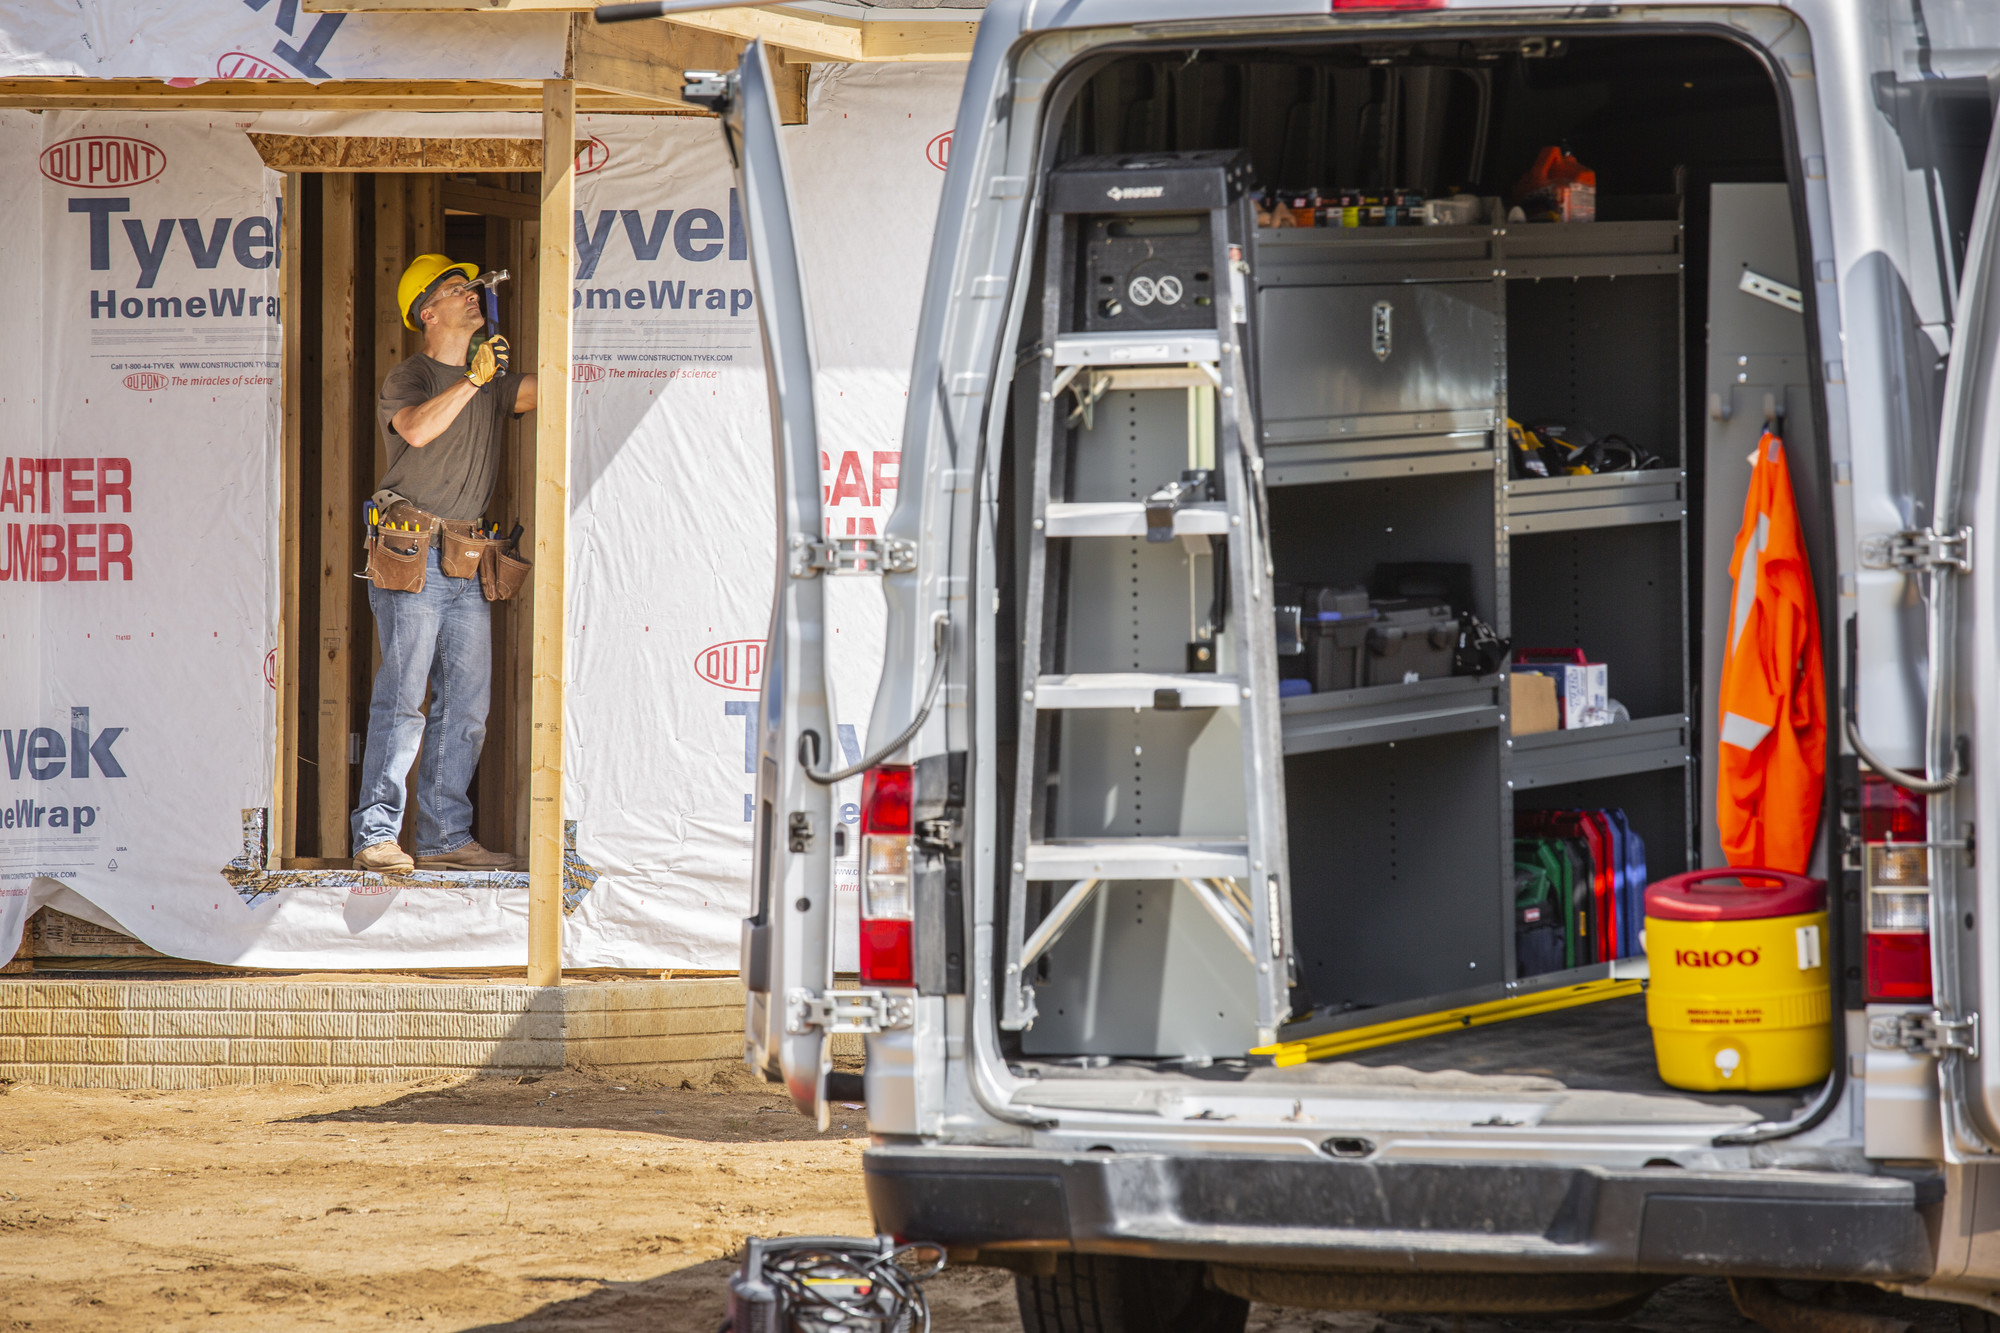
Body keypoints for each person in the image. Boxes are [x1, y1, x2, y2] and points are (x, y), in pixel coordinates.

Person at [350, 255, 538, 874]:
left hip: (465, 558)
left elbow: (550, 387)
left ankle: (442, 836)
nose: (473, 295)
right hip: (412, 551)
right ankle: (377, 834)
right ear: (426, 313)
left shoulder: (495, 379)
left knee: (467, 706)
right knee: (404, 699)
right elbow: (417, 430)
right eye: (458, 290)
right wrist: (475, 382)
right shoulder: (413, 375)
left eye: (473, 288)